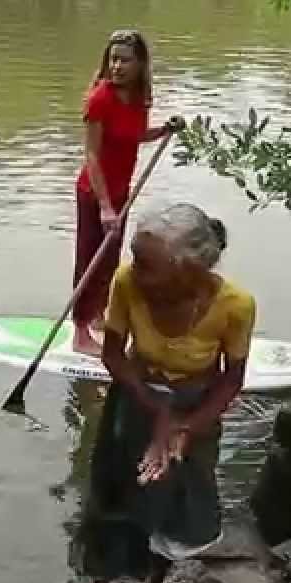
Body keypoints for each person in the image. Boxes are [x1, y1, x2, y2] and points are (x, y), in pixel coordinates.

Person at [62, 202, 256, 583]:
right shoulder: (127, 281)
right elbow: (114, 354)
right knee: (112, 493)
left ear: (192, 271)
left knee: (174, 498)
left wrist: (185, 430)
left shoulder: (236, 304)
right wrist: (157, 414)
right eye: (136, 259)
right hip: (135, 394)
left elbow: (231, 379)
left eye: (150, 267)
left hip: (197, 406)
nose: (137, 273)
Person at [73, 29, 184, 355]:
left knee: (109, 260)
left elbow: (132, 136)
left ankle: (97, 316)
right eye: (113, 59)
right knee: (89, 258)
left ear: (140, 64)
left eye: (125, 60)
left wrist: (164, 130)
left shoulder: (139, 99)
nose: (117, 66)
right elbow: (91, 155)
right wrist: (105, 207)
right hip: (95, 192)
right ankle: (79, 331)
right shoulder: (100, 99)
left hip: (122, 191)